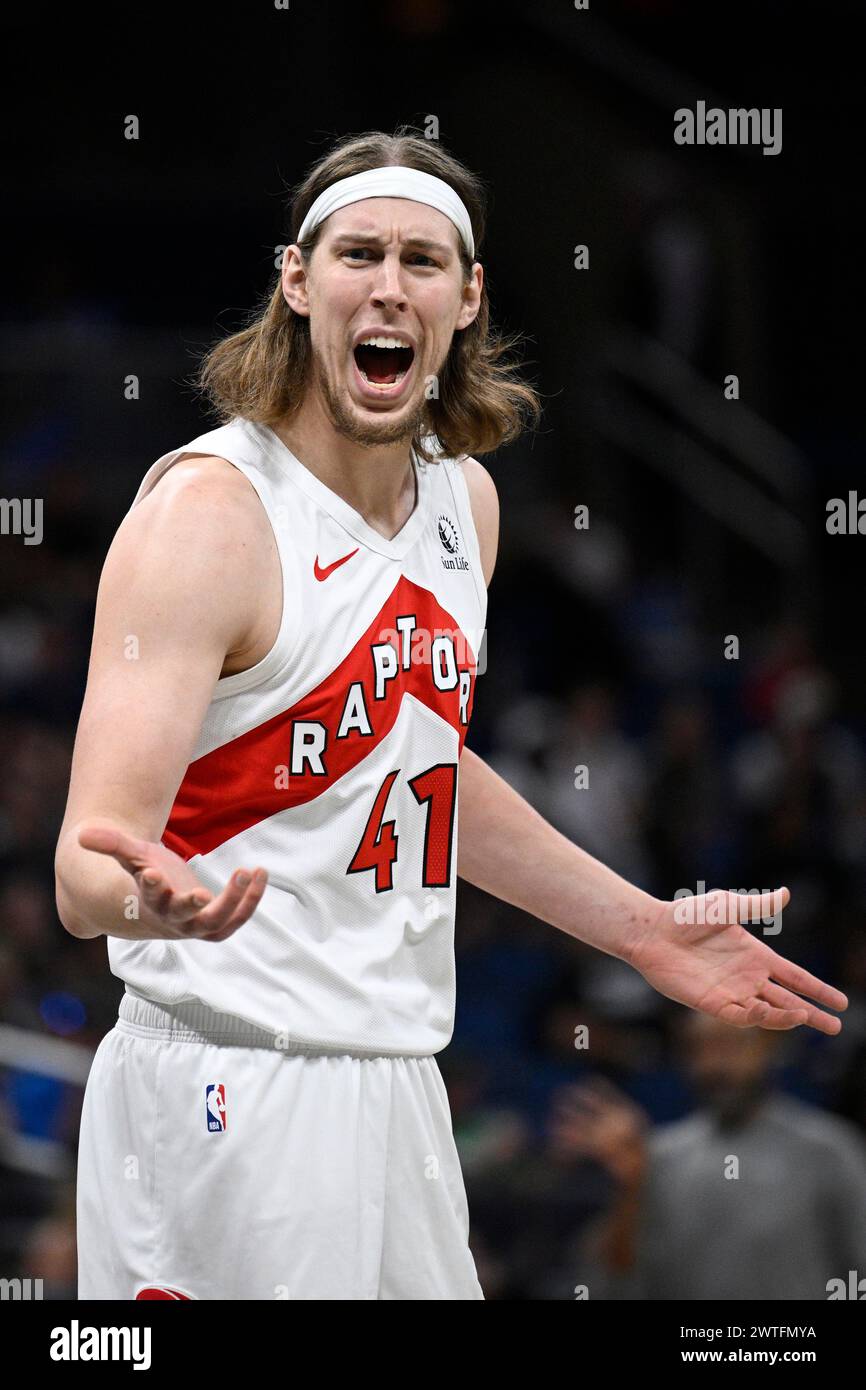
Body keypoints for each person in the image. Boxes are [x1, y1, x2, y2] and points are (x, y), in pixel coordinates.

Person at [54, 128, 848, 1301]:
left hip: (396, 1084)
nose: (386, 284)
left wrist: (639, 929)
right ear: (296, 280)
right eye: (356, 253)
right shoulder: (208, 517)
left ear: (466, 298)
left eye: (420, 260)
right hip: (225, 1084)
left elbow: (419, 769)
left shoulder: (460, 502)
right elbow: (82, 877)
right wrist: (154, 900)